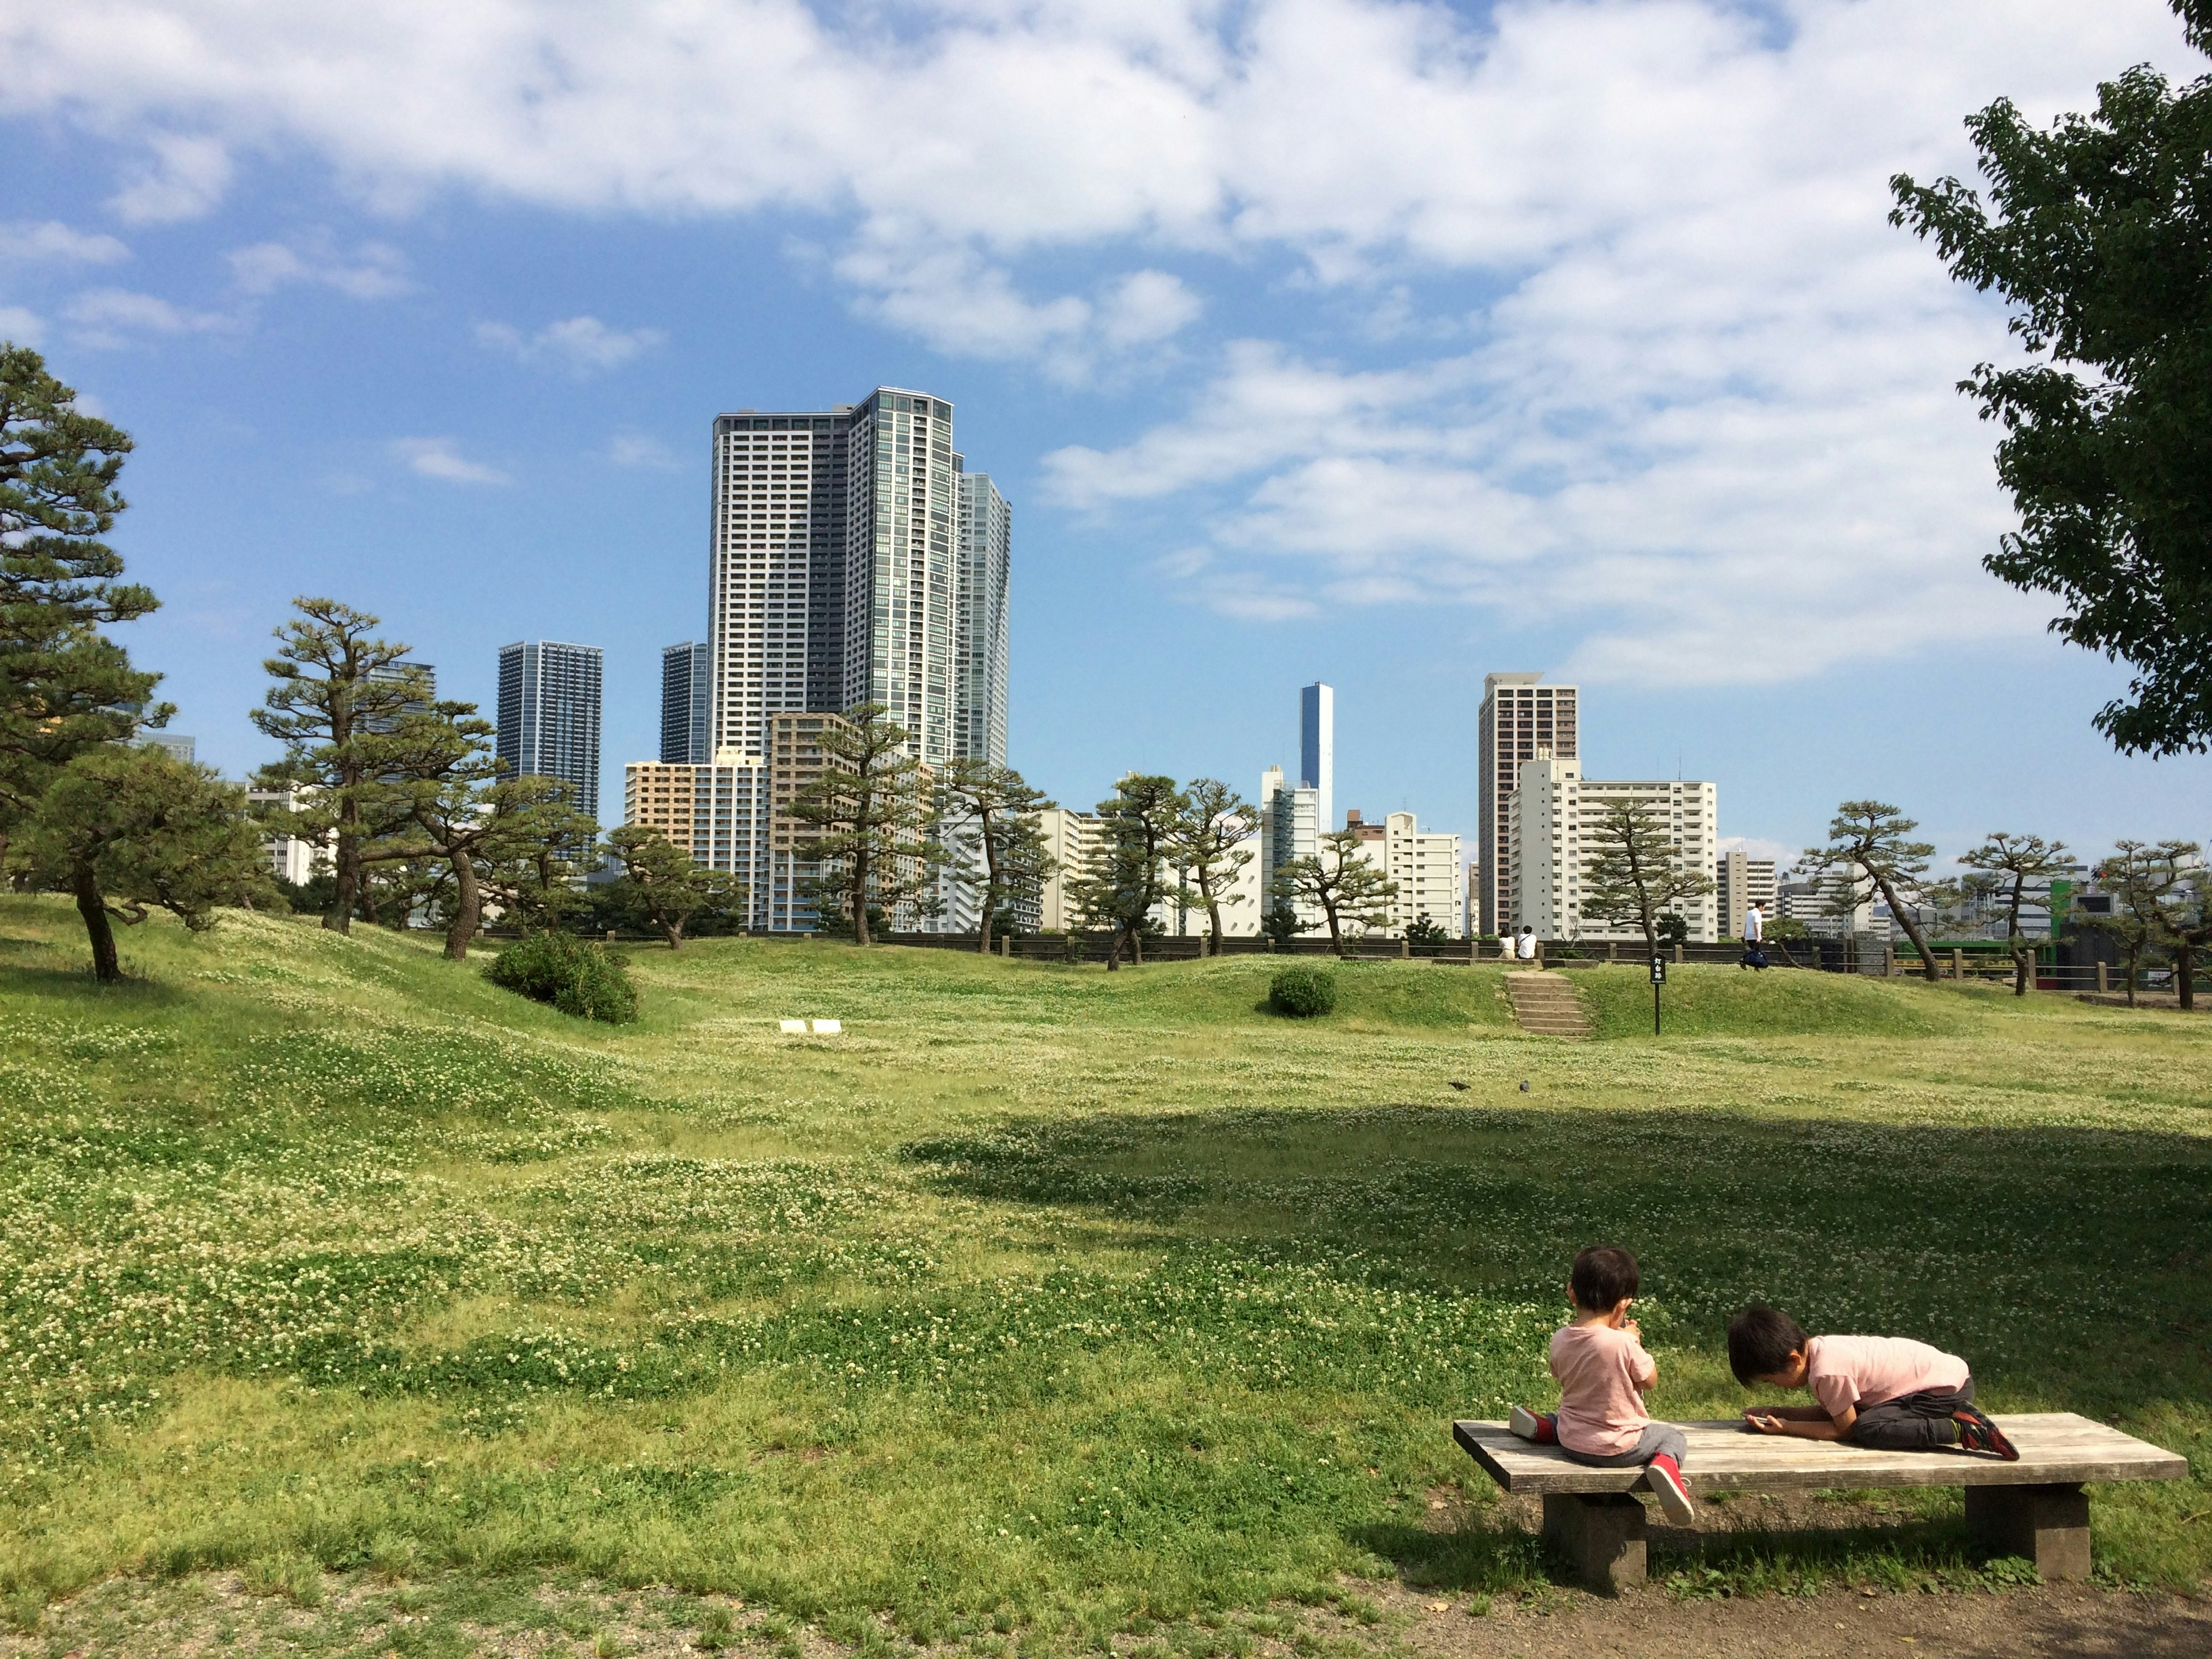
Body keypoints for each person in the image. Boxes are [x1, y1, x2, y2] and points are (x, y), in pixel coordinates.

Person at [1505, 1246, 1696, 1523]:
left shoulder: (1559, 1339)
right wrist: (1633, 1340)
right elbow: (1650, 1380)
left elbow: (1561, 1375)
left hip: (1573, 1441)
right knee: (1672, 1437)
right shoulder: (1623, 1343)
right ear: (1623, 1305)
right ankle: (1666, 1467)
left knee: (1567, 1418)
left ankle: (1544, 1428)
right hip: (1621, 1448)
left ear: (1571, 1292)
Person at [1727, 1303, 2018, 1458]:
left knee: (1870, 1429)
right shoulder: (1822, 1351)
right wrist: (1783, 1413)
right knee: (1866, 1419)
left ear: (1793, 1360)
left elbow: (1846, 1429)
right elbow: (1836, 1412)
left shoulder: (1828, 1373)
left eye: (1771, 1380)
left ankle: (1961, 1428)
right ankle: (1959, 1423)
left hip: (1940, 1392)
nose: (1776, 1387)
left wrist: (1788, 1428)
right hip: (1942, 1378)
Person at [1740, 900, 1767, 970]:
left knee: (1753, 952)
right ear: (1760, 906)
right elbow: (1756, 925)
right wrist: (1758, 936)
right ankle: (1744, 960)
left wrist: (1744, 935)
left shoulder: (1749, 913)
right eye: (1764, 907)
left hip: (1748, 935)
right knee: (1756, 952)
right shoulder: (1757, 913)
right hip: (1754, 935)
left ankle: (1755, 967)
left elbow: (1746, 924)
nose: (1764, 909)